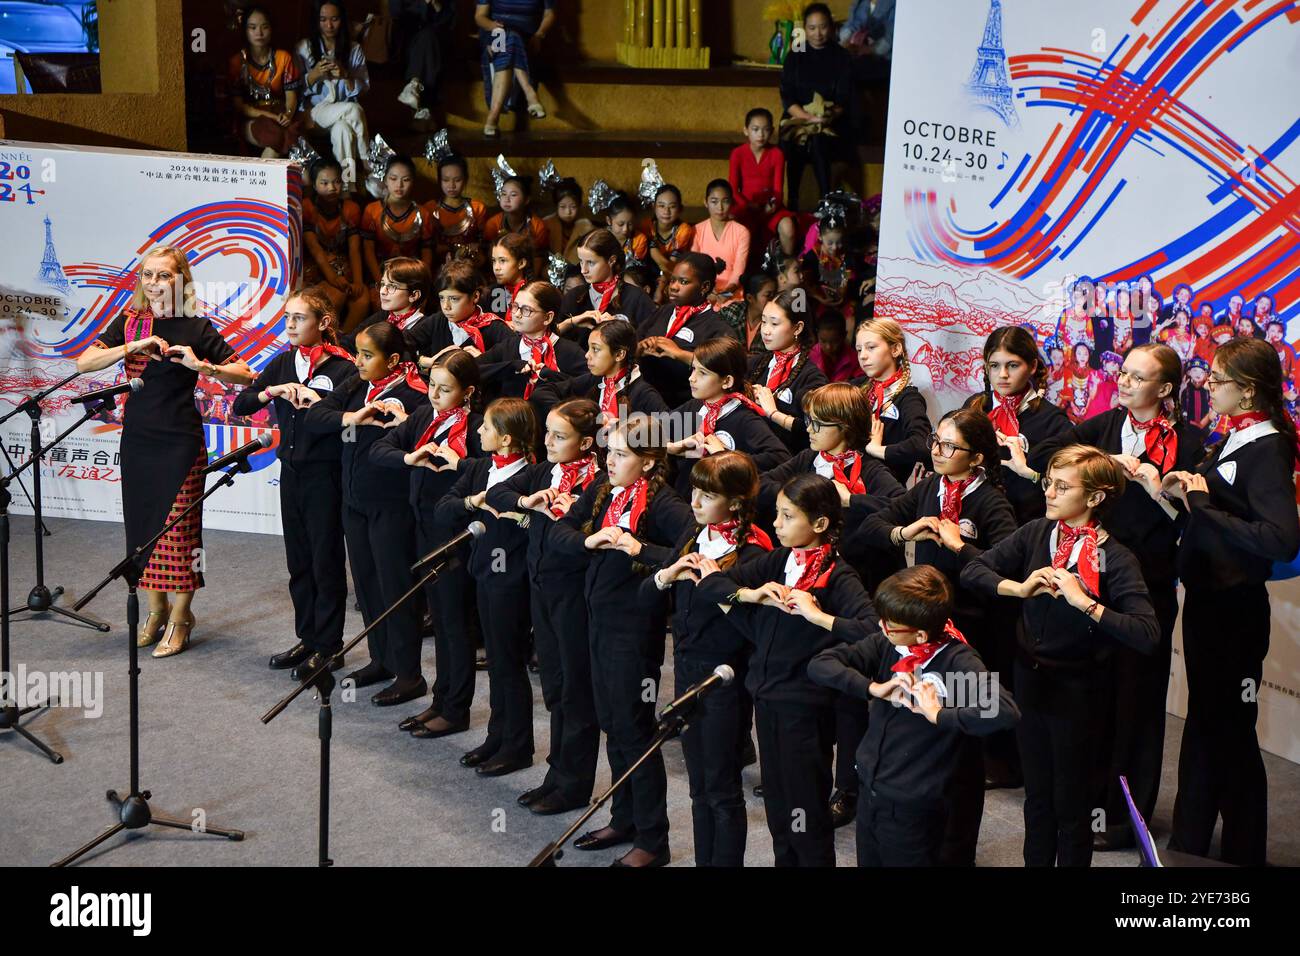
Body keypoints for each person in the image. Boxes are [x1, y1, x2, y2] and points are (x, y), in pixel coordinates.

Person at [962, 446, 1160, 866]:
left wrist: (1084, 602)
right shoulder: (1037, 533)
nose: (1049, 492)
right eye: (1049, 482)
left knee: (1072, 808)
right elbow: (973, 570)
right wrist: (1018, 588)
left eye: (1062, 486)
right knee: (1037, 802)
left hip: (1080, 693)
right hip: (1031, 683)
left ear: (1094, 498)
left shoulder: (1117, 558)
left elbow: (1146, 633)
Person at [1043, 344, 1204, 852]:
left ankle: (1125, 816)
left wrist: (1156, 487)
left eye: (1139, 377)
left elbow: (1197, 523)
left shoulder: (1193, 443)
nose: (1126, 382)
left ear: (1166, 389)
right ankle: (1082, 804)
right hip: (1090, 582)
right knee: (1092, 697)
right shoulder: (1095, 431)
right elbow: (1058, 480)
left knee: (1138, 702)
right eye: (1124, 373)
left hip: (1151, 585)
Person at [77, 246, 255, 658]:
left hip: (181, 443)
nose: (154, 283)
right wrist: (129, 348)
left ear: (181, 280)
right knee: (143, 531)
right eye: (148, 275)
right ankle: (154, 613)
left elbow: (246, 375)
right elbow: (85, 363)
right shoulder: (129, 321)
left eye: (164, 276)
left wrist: (201, 366)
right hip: (138, 440)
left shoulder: (196, 327)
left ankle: (181, 617)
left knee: (181, 534)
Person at [694, 473, 879, 866]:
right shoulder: (778, 561)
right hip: (766, 696)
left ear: (820, 524)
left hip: (805, 707)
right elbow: (712, 585)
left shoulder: (839, 575)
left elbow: (869, 630)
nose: (775, 524)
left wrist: (819, 617)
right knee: (778, 806)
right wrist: (750, 595)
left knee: (805, 811)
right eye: (776, 514)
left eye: (786, 516)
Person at [857, 409, 1018, 860]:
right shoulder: (931, 486)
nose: (938, 452)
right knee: (920, 726)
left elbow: (1006, 567)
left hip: (969, 632)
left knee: (961, 737)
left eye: (950, 446)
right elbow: (873, 525)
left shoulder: (990, 501)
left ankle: (956, 843)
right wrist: (904, 530)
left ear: (978, 456)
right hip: (923, 625)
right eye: (935, 443)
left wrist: (959, 547)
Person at [1164, 338, 1300, 866]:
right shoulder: (1235, 437)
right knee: (1205, 726)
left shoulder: (1266, 447)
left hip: (1234, 612)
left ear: (1245, 391)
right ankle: (1191, 842)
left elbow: (1279, 539)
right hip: (1208, 605)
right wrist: (1179, 491)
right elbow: (1222, 508)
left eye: (1217, 379)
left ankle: (1243, 852)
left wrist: (1201, 504)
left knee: (1231, 735)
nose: (1207, 385)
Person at [550, 417, 694, 866]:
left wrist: (640, 551)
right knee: (611, 721)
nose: (609, 462)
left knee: (634, 728)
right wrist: (589, 541)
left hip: (634, 627)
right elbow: (560, 533)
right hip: (598, 618)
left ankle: (654, 841)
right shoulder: (603, 491)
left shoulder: (664, 502)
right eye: (608, 452)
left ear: (649, 461)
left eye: (622, 455)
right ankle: (624, 816)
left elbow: (695, 548)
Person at [808, 564, 1019, 866]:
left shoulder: (958, 661)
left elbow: (1004, 711)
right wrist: (873, 688)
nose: (881, 627)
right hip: (872, 792)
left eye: (889, 625)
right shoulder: (888, 642)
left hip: (916, 807)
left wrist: (939, 714)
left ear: (920, 634)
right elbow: (821, 664)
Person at [642, 452, 773, 865]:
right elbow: (645, 595)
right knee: (698, 789)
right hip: (685, 671)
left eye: (707, 495)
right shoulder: (692, 534)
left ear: (734, 502)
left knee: (721, 791)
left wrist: (718, 590)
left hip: (724, 681)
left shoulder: (754, 553)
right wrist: (666, 575)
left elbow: (756, 632)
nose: (694, 502)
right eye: (694, 491)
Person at [303, 322, 429, 704]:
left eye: (367, 355)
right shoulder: (357, 387)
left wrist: (401, 420)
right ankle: (382, 659)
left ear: (392, 360)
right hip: (354, 502)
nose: (357, 361)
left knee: (395, 588)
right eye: (357, 352)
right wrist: (351, 418)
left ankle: (409, 674)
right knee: (368, 584)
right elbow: (315, 416)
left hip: (391, 507)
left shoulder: (414, 396)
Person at [488, 400, 603, 811]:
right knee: (554, 685)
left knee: (575, 689)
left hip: (574, 596)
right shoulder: (544, 471)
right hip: (540, 589)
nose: (548, 442)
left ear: (586, 442)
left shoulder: (597, 484)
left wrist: (562, 513)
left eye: (559, 436)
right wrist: (527, 502)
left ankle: (574, 784)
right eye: (547, 433)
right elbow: (499, 490)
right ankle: (556, 773)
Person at [232, 290, 353, 679]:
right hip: (292, 472)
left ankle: (330, 646)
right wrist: (274, 390)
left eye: (300, 319)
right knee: (298, 561)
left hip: (327, 473)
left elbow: (349, 419)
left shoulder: (343, 368)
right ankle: (307, 637)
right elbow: (242, 404)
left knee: (325, 561)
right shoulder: (283, 362)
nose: (290, 326)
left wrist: (317, 402)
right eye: (287, 318)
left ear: (323, 323)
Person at [372, 349, 484, 739]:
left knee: (456, 622)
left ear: (467, 391)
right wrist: (410, 457)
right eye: (432, 386)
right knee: (437, 617)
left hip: (455, 534)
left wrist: (459, 464)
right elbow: (379, 449)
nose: (435, 395)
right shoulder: (425, 417)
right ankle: (440, 699)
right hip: (423, 527)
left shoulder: (477, 427)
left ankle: (457, 708)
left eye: (445, 389)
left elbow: (494, 472)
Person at [435, 398, 539, 776]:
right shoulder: (480, 469)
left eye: (487, 428)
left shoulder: (532, 476)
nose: (478, 431)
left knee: (509, 663)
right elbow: (444, 508)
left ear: (507, 438)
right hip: (481, 574)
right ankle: (498, 735)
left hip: (512, 583)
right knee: (495, 662)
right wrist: (471, 501)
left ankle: (517, 745)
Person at [964, 326, 1072, 525]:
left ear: (1032, 367)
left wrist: (1029, 473)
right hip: (973, 518)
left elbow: (1068, 484)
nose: (1002, 374)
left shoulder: (1052, 421)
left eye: (1012, 365)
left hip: (1024, 524)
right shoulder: (974, 407)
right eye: (995, 365)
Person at [667, 337, 790, 500]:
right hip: (686, 500)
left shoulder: (744, 419)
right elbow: (644, 434)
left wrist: (726, 457)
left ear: (727, 381)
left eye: (702, 373)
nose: (692, 378)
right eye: (693, 369)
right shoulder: (695, 407)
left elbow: (781, 458)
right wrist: (671, 448)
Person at [636, 254, 739, 408]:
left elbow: (724, 371)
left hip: (683, 410)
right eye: (672, 280)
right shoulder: (663, 311)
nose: (673, 286)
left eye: (683, 282)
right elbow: (632, 345)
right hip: (643, 399)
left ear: (704, 287)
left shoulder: (718, 328)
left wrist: (679, 354)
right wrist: (640, 348)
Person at [779, 3, 854, 207]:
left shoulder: (841, 56)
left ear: (830, 27)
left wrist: (823, 118)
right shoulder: (795, 55)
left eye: (822, 27)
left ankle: (825, 201)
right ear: (804, 28)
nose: (818, 33)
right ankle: (792, 200)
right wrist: (807, 117)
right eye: (812, 28)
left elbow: (843, 99)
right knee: (794, 140)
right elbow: (787, 97)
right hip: (798, 117)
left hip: (831, 118)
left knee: (819, 140)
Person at [535, 317, 669, 424]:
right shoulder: (596, 380)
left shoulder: (644, 394)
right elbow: (542, 392)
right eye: (589, 348)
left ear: (619, 355)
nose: (587, 355)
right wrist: (571, 418)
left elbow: (672, 431)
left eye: (596, 349)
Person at [296, 1, 370, 190]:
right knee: (354, 109)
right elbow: (292, 88)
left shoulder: (354, 49)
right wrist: (313, 75)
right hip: (314, 113)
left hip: (343, 114)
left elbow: (365, 87)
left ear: (342, 20)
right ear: (316, 21)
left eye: (334, 19)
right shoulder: (304, 48)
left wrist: (345, 76)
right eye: (323, 20)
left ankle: (345, 189)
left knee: (343, 130)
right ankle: (368, 162)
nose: (329, 25)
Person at [852, 318, 932, 484]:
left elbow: (922, 444)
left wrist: (878, 450)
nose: (863, 356)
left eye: (871, 347)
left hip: (884, 490)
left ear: (895, 349)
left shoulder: (908, 398)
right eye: (859, 350)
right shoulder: (855, 387)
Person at [747, 289, 827, 453]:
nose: (766, 331)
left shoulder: (811, 377)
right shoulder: (755, 364)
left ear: (797, 328)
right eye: (763, 322)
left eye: (774, 324)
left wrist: (773, 413)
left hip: (785, 461)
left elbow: (817, 428)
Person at [554, 228, 656, 347]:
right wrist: (571, 322)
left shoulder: (637, 298)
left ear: (611, 260)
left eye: (591, 263)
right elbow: (548, 341)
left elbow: (651, 343)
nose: (583, 270)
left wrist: (619, 331)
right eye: (581, 261)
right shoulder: (573, 296)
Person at [303, 158, 370, 332]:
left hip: (341, 265)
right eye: (324, 183)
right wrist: (333, 278)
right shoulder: (307, 207)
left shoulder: (350, 209)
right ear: (315, 185)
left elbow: (355, 249)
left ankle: (344, 340)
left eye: (337, 182)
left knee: (362, 299)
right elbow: (315, 249)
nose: (332, 188)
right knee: (335, 296)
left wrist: (358, 281)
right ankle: (323, 337)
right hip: (316, 266)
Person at [229, 5, 303, 158]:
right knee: (278, 134)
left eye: (265, 27)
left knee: (278, 140)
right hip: (252, 120)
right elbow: (239, 106)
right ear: (245, 31)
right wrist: (271, 117)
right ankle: (310, 166)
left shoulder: (283, 58)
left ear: (272, 29)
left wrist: (287, 115)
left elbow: (291, 98)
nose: (259, 33)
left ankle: (257, 179)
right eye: (253, 28)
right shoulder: (237, 62)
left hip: (280, 117)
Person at [361, 155, 435, 301]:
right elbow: (368, 250)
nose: (399, 185)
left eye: (405, 180)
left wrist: (419, 281)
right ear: (385, 179)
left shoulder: (423, 214)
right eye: (393, 179)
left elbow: (427, 253)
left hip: (411, 278)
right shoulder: (372, 211)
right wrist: (381, 282)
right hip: (379, 275)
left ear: (413, 181)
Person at [476, 0, 555, 137]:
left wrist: (539, 35)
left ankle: (493, 118)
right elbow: (479, 16)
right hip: (496, 32)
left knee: (510, 41)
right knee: (508, 36)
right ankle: (530, 95)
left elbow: (549, 14)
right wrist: (492, 26)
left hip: (528, 35)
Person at [729, 108, 798, 259]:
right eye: (755, 129)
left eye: (766, 130)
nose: (761, 134)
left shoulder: (777, 154)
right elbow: (733, 189)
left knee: (788, 227)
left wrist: (772, 206)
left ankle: (786, 267)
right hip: (745, 205)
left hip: (770, 206)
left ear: (772, 131)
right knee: (734, 226)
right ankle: (739, 267)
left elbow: (778, 190)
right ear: (746, 130)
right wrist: (748, 205)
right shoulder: (738, 154)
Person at [345, 256, 434, 360]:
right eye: (383, 284)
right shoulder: (382, 316)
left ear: (413, 295)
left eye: (392, 286)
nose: (382, 291)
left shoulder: (426, 327)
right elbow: (348, 343)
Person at [391, 0, 456, 122]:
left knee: (429, 37)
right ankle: (424, 107)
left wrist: (436, 4)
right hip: (408, 40)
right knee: (426, 38)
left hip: (437, 43)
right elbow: (396, 14)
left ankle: (414, 86)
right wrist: (422, 4)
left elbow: (450, 21)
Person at [690, 180, 750, 303]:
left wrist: (725, 294)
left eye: (725, 201)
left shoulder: (741, 232)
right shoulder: (696, 230)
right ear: (705, 202)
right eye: (714, 202)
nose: (720, 207)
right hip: (703, 293)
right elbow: (694, 268)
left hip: (732, 295)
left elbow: (738, 272)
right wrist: (707, 293)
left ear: (732, 203)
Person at [427, 155, 487, 265]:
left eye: (457, 180)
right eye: (446, 180)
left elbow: (483, 244)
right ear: (439, 180)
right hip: (439, 269)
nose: (452, 185)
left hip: (470, 268)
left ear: (465, 180)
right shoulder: (430, 208)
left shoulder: (477, 208)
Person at [483, 176, 549, 276]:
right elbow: (488, 257)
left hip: (527, 273)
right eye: (503, 194)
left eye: (513, 195)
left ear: (526, 199)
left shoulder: (537, 225)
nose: (507, 199)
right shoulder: (493, 224)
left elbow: (538, 257)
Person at [642, 185, 695, 301]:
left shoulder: (683, 229)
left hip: (673, 273)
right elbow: (659, 260)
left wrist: (660, 287)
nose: (666, 211)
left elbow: (670, 265)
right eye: (661, 206)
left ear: (680, 209)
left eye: (672, 207)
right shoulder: (647, 226)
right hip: (648, 272)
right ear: (653, 207)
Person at [718, 272, 778, 357]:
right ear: (750, 298)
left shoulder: (776, 321)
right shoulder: (733, 312)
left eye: (774, 295)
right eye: (768, 295)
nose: (773, 300)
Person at [544, 177, 596, 265]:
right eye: (562, 207)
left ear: (579, 206)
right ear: (556, 206)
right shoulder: (547, 225)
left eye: (573, 207)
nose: (568, 212)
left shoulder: (586, 227)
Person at [485, 232, 535, 319]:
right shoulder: (491, 293)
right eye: (494, 261)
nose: (496, 267)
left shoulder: (535, 293)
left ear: (521, 263)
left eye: (502, 260)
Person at [809, 308, 858, 382]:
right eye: (823, 341)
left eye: (835, 341)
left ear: (844, 335)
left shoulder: (854, 359)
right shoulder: (810, 356)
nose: (828, 347)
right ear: (817, 334)